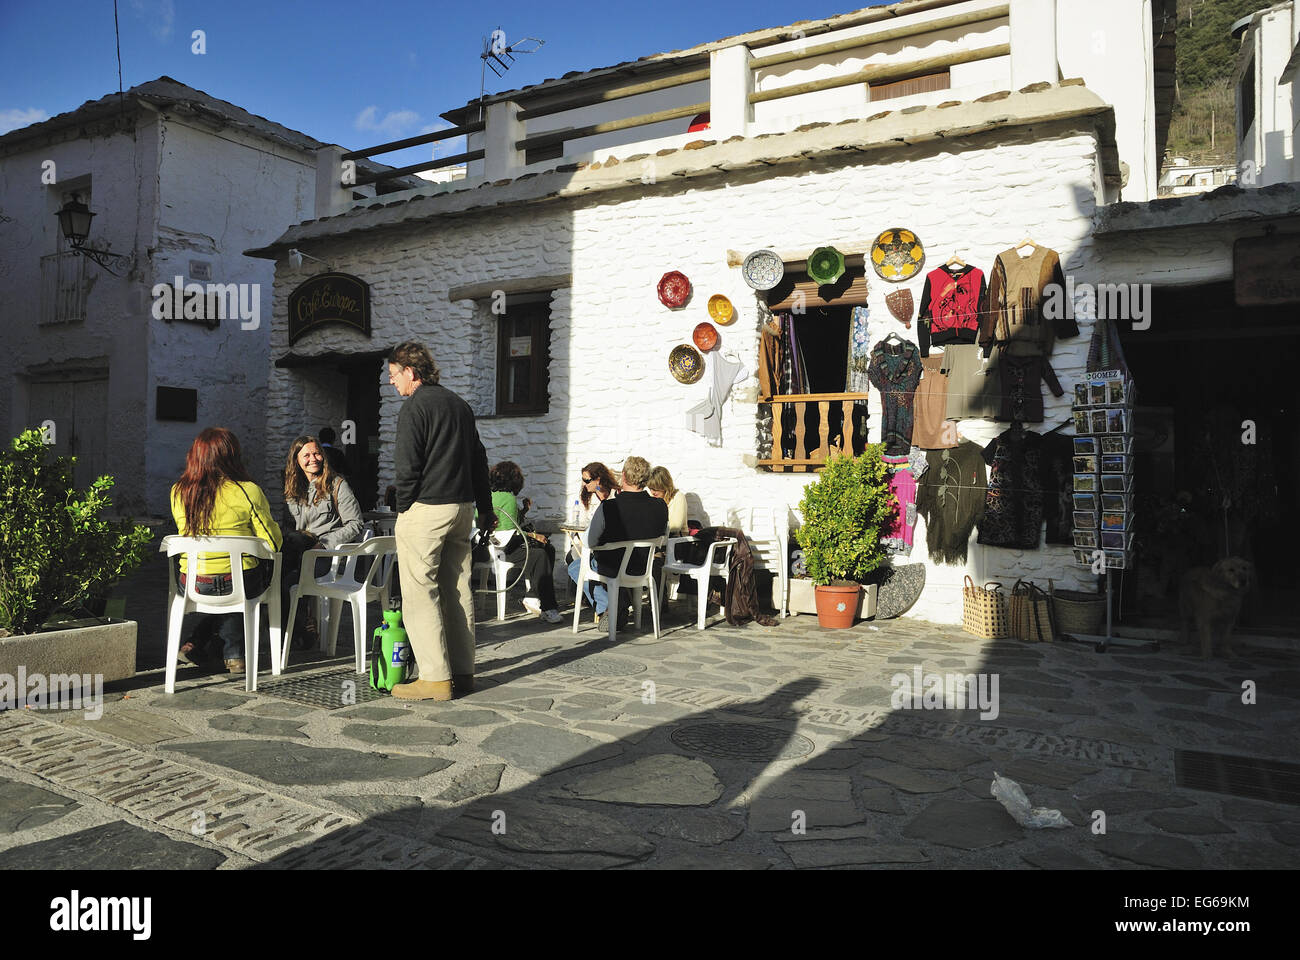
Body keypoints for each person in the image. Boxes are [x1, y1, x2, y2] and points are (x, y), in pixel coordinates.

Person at [388, 341, 494, 702]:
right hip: (462, 509)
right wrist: (486, 507)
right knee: (457, 589)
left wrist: (404, 509)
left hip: (427, 509)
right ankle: (463, 673)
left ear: (410, 372)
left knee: (420, 592)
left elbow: (407, 467)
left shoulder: (414, 408)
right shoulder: (459, 405)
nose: (392, 383)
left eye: (393, 375)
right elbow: (479, 460)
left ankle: (434, 678)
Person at [170, 427, 282, 674]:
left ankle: (219, 649)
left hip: (193, 584)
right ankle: (233, 654)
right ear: (232, 456)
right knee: (244, 586)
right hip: (239, 582)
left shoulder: (179, 491)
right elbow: (273, 544)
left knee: (226, 595)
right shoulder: (248, 490)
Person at [568, 456, 668, 632]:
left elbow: (589, 541)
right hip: (643, 567)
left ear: (624, 475)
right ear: (646, 479)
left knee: (575, 566)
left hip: (613, 568)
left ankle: (610, 607)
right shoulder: (661, 505)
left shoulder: (610, 506)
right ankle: (615, 607)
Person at [281, 435, 364, 646]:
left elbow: (355, 523)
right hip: (297, 550)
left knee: (291, 581)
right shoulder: (292, 487)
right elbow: (288, 525)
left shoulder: (337, 484)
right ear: (296, 460)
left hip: (326, 554)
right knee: (271, 577)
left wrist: (325, 542)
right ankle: (295, 630)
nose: (313, 459)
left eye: (317, 453)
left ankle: (297, 631)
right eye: (306, 455)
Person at [486, 460, 563, 624]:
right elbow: (511, 532)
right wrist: (534, 536)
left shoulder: (489, 496)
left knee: (546, 550)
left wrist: (524, 511)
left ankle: (533, 596)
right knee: (542, 553)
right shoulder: (508, 499)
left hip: (491, 546)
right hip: (504, 549)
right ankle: (548, 607)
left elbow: (506, 525)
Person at [569, 461, 618, 560]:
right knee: (572, 556)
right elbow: (580, 522)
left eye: (587, 481)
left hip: (608, 543)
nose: (583, 484)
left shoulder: (615, 495)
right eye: (583, 480)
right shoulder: (586, 497)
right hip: (587, 540)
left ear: (598, 480)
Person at [646, 466, 688, 537]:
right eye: (650, 488)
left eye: (655, 489)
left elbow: (676, 526)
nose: (652, 492)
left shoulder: (678, 497)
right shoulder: (652, 498)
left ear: (664, 486)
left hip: (676, 540)